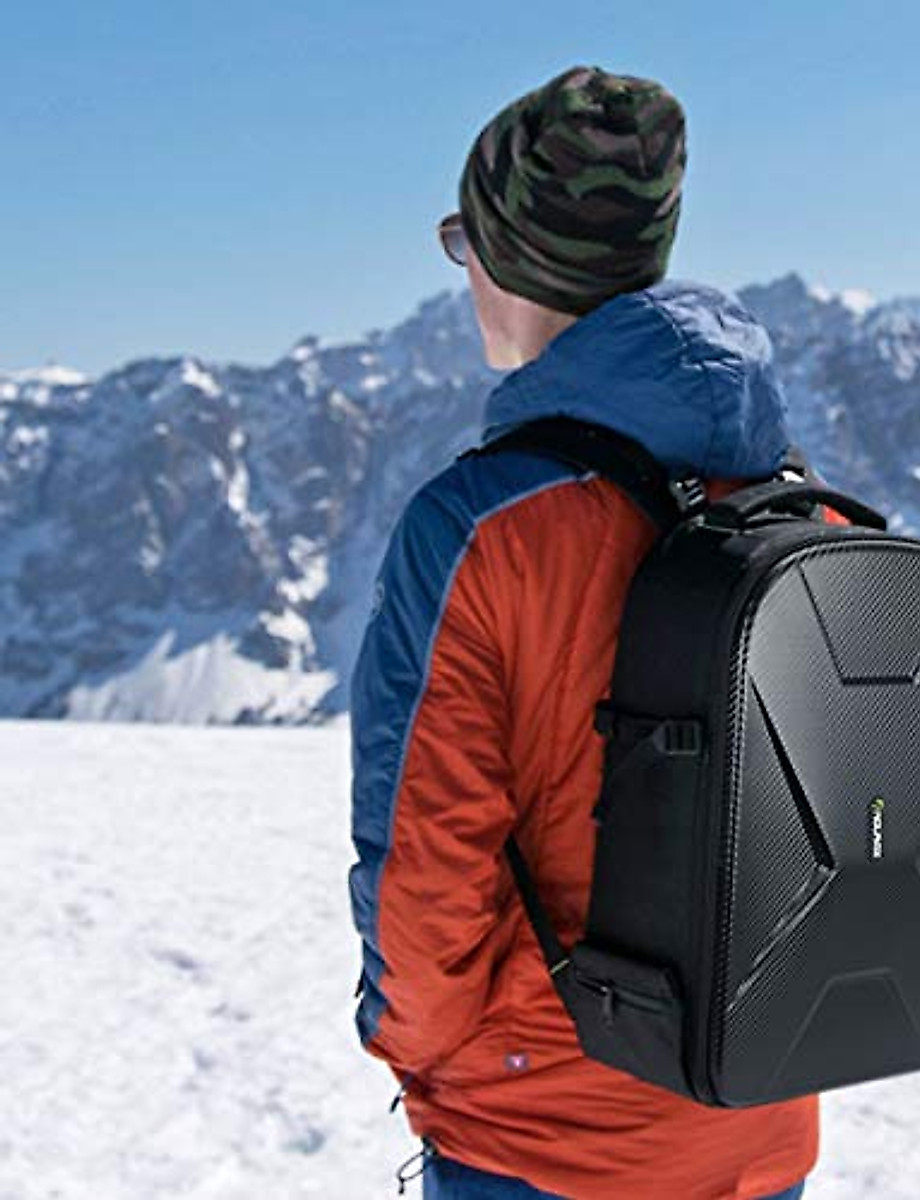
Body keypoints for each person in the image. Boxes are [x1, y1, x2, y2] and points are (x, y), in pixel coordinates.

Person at [348, 63, 834, 1200]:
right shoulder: (798, 508)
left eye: (464, 241)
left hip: (538, 1140)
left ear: (505, 257)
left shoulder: (478, 528)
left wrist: (419, 1057)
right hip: (759, 1116)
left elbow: (428, 864)